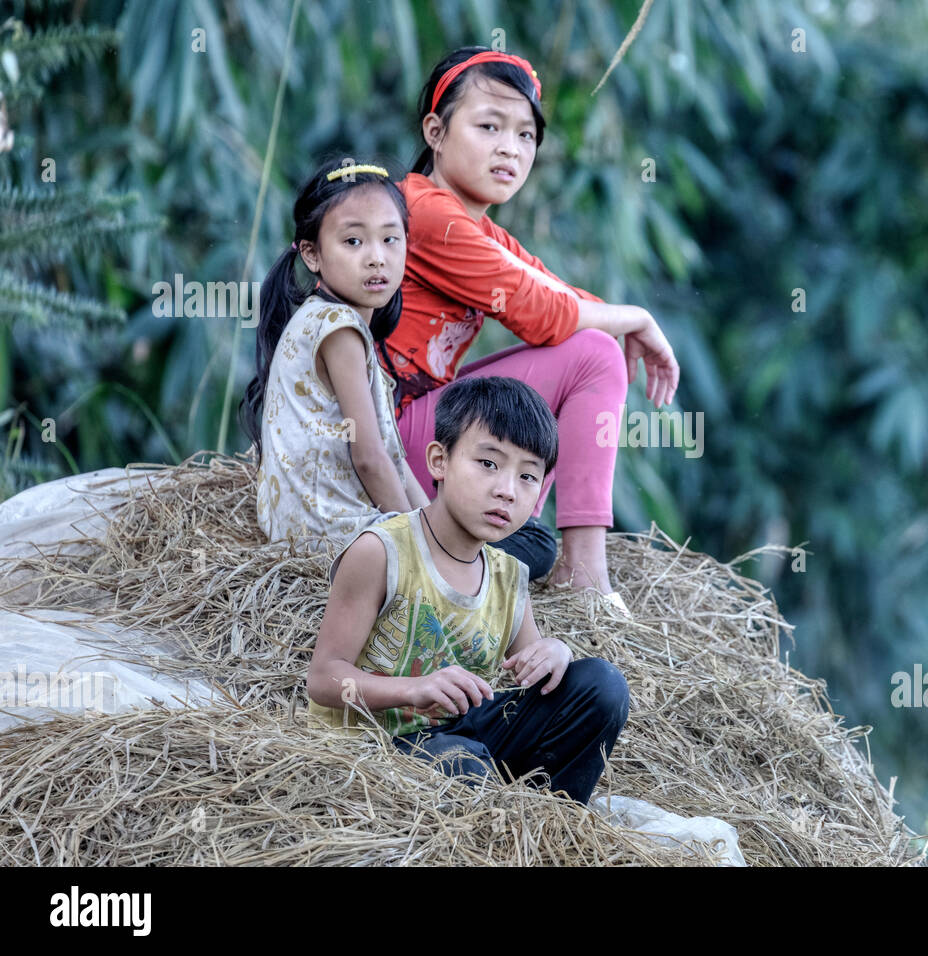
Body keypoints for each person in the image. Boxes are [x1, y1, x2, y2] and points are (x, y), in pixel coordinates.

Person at [383, 45, 681, 612]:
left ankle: (525, 534)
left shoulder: (479, 229)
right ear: (435, 132)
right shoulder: (427, 214)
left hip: (421, 426)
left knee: (590, 343)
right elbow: (544, 314)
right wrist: (638, 319)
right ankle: (584, 575)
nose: (509, 149)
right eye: (489, 126)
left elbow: (559, 295)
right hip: (389, 438)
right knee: (594, 353)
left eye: (525, 136)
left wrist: (613, 318)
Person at [305, 376, 630, 805]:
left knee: (602, 685)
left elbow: (534, 681)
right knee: (461, 764)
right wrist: (411, 689)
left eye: (528, 476)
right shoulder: (382, 552)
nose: (506, 490)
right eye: (488, 464)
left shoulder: (508, 575)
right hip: (381, 747)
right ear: (439, 461)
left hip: (462, 734)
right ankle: (498, 811)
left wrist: (555, 653)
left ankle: (552, 818)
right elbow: (324, 678)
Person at [239, 157, 430, 555]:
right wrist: (425, 553)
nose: (377, 257)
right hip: (329, 534)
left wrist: (432, 529)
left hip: (310, 529)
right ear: (312, 254)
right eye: (353, 241)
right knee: (518, 550)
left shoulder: (322, 316)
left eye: (390, 239)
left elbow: (391, 459)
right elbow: (370, 459)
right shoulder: (338, 329)